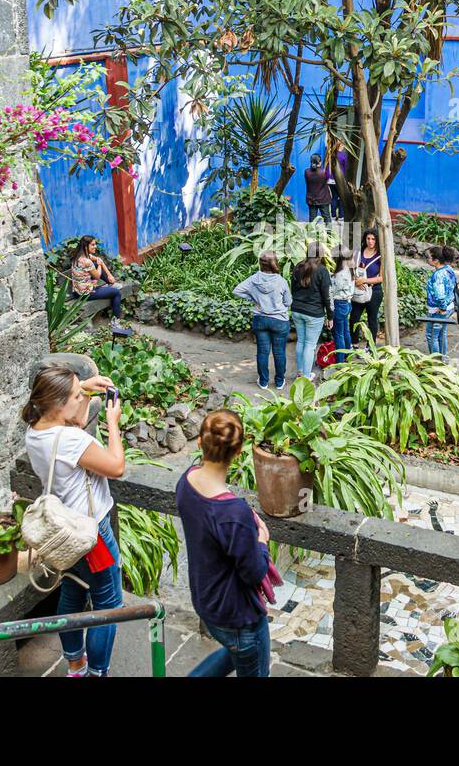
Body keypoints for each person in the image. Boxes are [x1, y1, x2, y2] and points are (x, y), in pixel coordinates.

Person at [23, 362, 124, 677]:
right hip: (90, 535)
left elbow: (64, 410)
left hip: (62, 529)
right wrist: (111, 422)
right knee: (108, 604)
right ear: (58, 405)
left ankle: (75, 665)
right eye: (78, 396)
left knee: (73, 590)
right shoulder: (71, 441)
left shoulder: (35, 430)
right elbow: (116, 466)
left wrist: (83, 386)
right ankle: (97, 672)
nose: (84, 399)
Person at [179, 411, 276, 678]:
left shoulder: (186, 481)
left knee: (236, 652)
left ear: (200, 442)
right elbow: (254, 571)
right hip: (238, 616)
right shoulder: (233, 512)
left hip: (207, 603)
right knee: (248, 657)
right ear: (239, 451)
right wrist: (262, 541)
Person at [234, 251, 292, 390]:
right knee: (279, 352)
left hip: (260, 319)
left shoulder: (254, 279)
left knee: (262, 352)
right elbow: (288, 302)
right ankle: (279, 382)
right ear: (275, 263)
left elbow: (237, 290)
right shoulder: (281, 281)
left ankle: (264, 382)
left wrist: (254, 299)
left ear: (261, 263)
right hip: (279, 320)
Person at [290, 242, 332, 381]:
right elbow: (327, 296)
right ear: (320, 255)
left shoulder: (298, 267)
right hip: (314, 313)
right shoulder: (322, 270)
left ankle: (300, 372)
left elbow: (293, 289)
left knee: (301, 341)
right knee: (310, 345)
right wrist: (330, 316)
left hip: (297, 309)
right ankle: (306, 377)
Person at [68, 236, 125, 331]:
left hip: (77, 290)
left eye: (95, 244)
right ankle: (115, 322)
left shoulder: (80, 256)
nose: (95, 247)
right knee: (116, 293)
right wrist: (99, 264)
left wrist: (109, 275)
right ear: (86, 246)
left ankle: (110, 283)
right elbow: (97, 276)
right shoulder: (86, 261)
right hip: (86, 293)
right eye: (93, 245)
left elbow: (99, 261)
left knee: (96, 265)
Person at [350, 228, 385, 345]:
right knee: (354, 318)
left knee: (372, 320)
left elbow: (381, 278)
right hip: (357, 290)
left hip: (374, 291)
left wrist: (363, 281)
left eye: (373, 239)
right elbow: (351, 269)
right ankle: (354, 345)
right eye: (368, 238)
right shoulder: (358, 252)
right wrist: (356, 281)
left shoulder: (381, 256)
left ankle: (370, 347)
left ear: (377, 241)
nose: (370, 241)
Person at [424, 246, 457, 360]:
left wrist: (442, 308)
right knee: (442, 333)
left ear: (436, 260)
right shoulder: (448, 269)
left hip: (439, 310)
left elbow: (440, 294)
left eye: (428, 257)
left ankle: (436, 363)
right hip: (449, 306)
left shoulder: (438, 275)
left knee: (432, 335)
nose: (427, 259)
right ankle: (443, 360)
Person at [329, 247, 355, 364]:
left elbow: (332, 291)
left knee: (338, 334)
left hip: (339, 305)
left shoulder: (339, 274)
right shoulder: (349, 270)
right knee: (345, 331)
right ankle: (348, 357)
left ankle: (340, 362)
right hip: (347, 304)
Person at [304, 154, 332, 222]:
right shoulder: (324, 172)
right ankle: (328, 233)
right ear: (320, 162)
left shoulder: (306, 172)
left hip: (311, 200)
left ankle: (312, 233)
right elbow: (327, 181)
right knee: (327, 218)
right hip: (324, 199)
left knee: (312, 219)